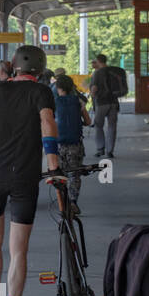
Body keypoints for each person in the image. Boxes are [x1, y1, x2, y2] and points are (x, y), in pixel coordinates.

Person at [0, 44, 59, 296]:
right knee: (18, 250)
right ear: (39, 68)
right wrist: (52, 162)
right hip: (24, 176)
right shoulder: (40, 92)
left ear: (14, 65)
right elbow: (48, 122)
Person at [54, 74, 92, 206]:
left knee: (59, 174)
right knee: (74, 174)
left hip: (58, 145)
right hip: (75, 144)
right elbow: (88, 121)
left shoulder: (53, 103)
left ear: (57, 87)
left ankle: (62, 203)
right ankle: (73, 202)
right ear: (71, 87)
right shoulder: (78, 101)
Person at [89, 53, 121, 159]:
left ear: (98, 61)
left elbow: (94, 88)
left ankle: (100, 148)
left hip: (101, 103)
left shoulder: (97, 73)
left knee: (98, 126)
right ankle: (110, 151)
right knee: (112, 127)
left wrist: (92, 96)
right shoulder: (113, 72)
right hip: (113, 102)